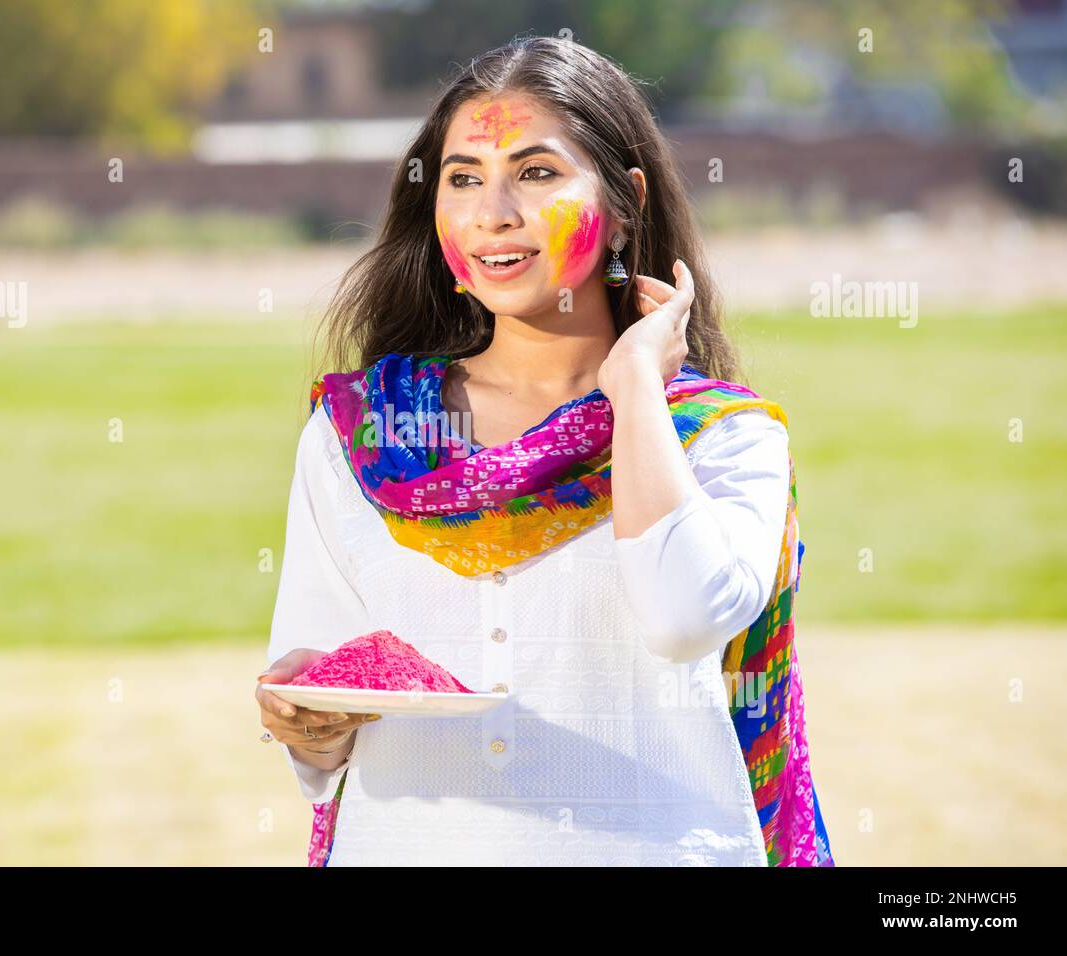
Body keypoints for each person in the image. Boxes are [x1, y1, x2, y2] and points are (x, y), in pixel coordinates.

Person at [254, 35, 833, 867]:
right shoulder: (365, 437)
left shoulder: (723, 436)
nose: (493, 211)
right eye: (462, 179)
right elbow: (326, 705)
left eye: (535, 173)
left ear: (625, 204)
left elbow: (682, 620)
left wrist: (635, 384)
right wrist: (304, 726)